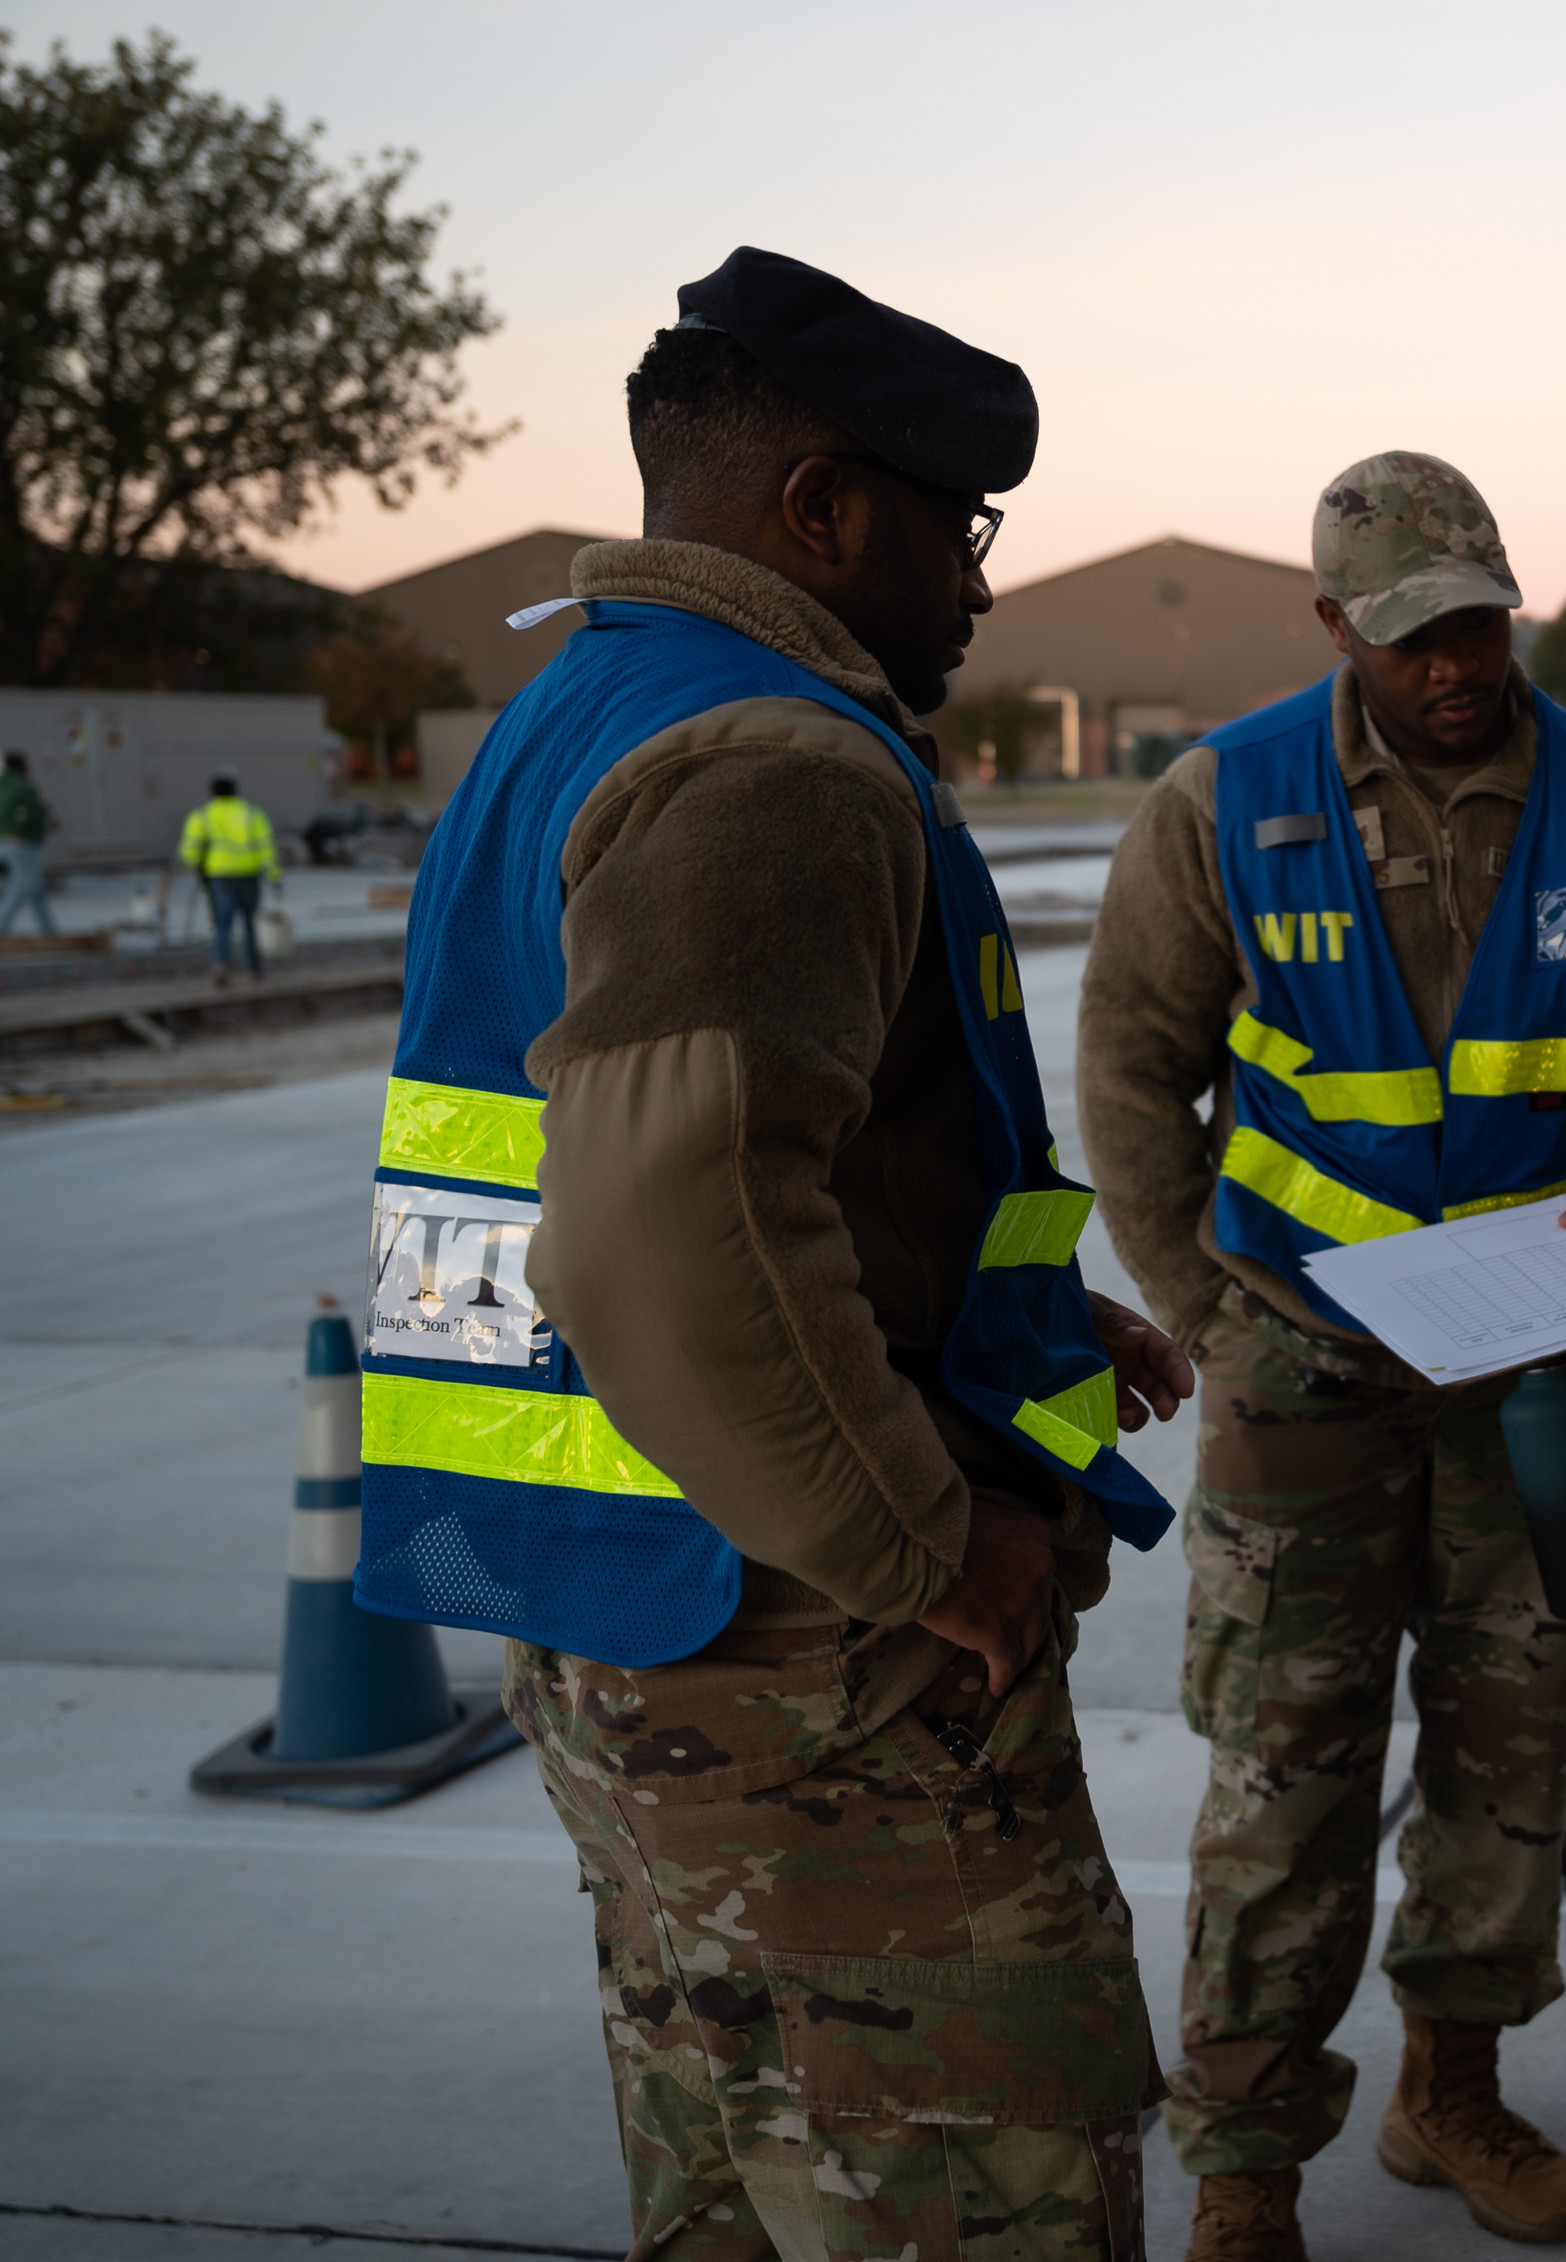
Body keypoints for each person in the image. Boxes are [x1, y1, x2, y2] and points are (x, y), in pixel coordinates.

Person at [351, 246, 1187, 2259]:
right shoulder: (778, 758)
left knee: (733, 2165)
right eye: (959, 523)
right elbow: (668, 1229)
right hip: (808, 1657)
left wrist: (1001, 1309)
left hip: (616, 1613)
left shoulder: (570, 714)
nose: (982, 578)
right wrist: (932, 1539)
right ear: (824, 509)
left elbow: (678, 1162)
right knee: (978, 2197)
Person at [1076, 452, 1566, 2261]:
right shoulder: (1223, 802)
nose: (1453, 661)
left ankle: (1447, 2084)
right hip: (1299, 1360)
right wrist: (1211, 1315)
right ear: (1333, 627)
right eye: (1408, 635)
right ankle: (1243, 2170)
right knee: (1280, 1777)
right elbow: (1134, 1075)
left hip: (1540, 1371)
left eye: (1475, 620)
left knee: (1508, 1760)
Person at [178, 770, 278, 982]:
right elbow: (266, 846)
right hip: (248, 874)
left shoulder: (203, 814)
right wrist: (274, 874)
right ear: (235, 789)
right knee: (251, 922)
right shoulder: (251, 812)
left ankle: (220, 964)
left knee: (222, 923)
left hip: (220, 876)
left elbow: (190, 849)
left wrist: (194, 865)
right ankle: (254, 967)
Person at [0, 751, 50, 935]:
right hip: (24, 843)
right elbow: (35, 814)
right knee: (21, 889)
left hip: (4, 841)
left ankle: (50, 931)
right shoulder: (24, 787)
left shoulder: (2, 785)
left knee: (36, 890)